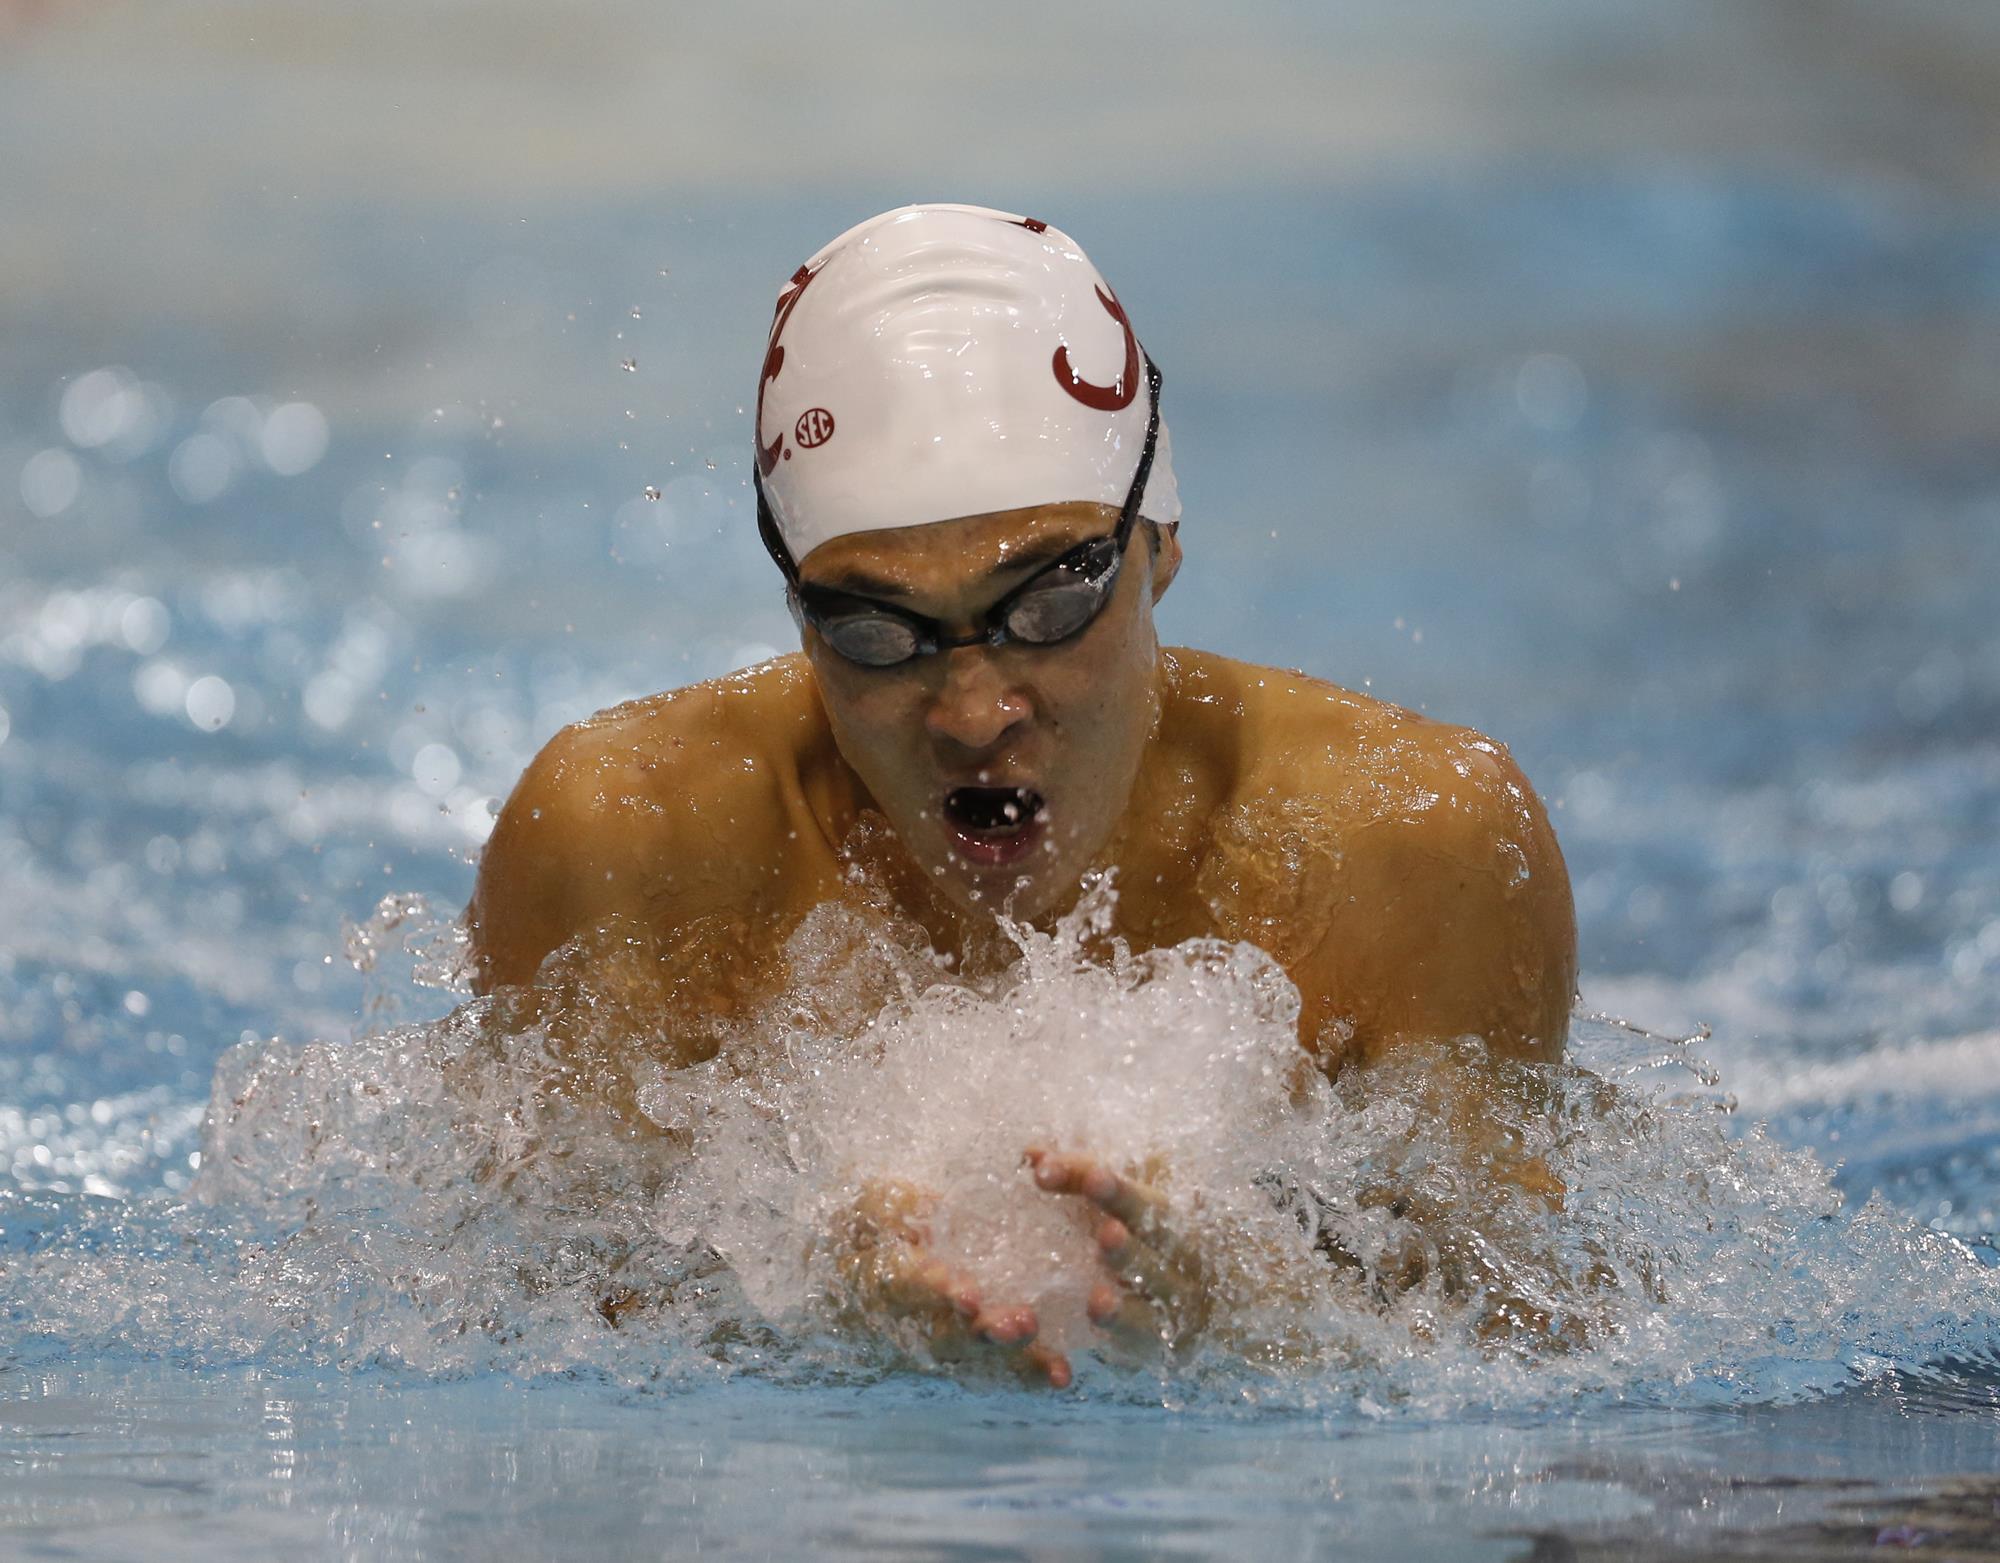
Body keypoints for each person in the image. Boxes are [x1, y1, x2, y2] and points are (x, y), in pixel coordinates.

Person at [466, 204, 1577, 1386]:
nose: (971, 712)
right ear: (798, 612)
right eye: (874, 630)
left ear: (1158, 544)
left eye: (1047, 603)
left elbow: (1549, 1354)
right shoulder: (625, 846)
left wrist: (1282, 1332)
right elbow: (519, 1327)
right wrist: (789, 1325)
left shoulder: (1410, 846)